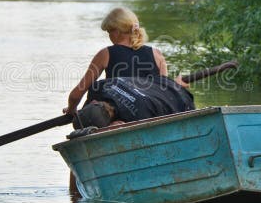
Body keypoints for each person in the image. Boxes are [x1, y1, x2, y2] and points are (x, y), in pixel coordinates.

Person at [65, 7, 194, 129]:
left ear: (117, 31)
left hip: (118, 118)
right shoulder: (157, 54)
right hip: (151, 117)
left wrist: (72, 110)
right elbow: (162, 91)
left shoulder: (105, 54)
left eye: (109, 32)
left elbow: (76, 94)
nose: (109, 36)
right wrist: (176, 85)